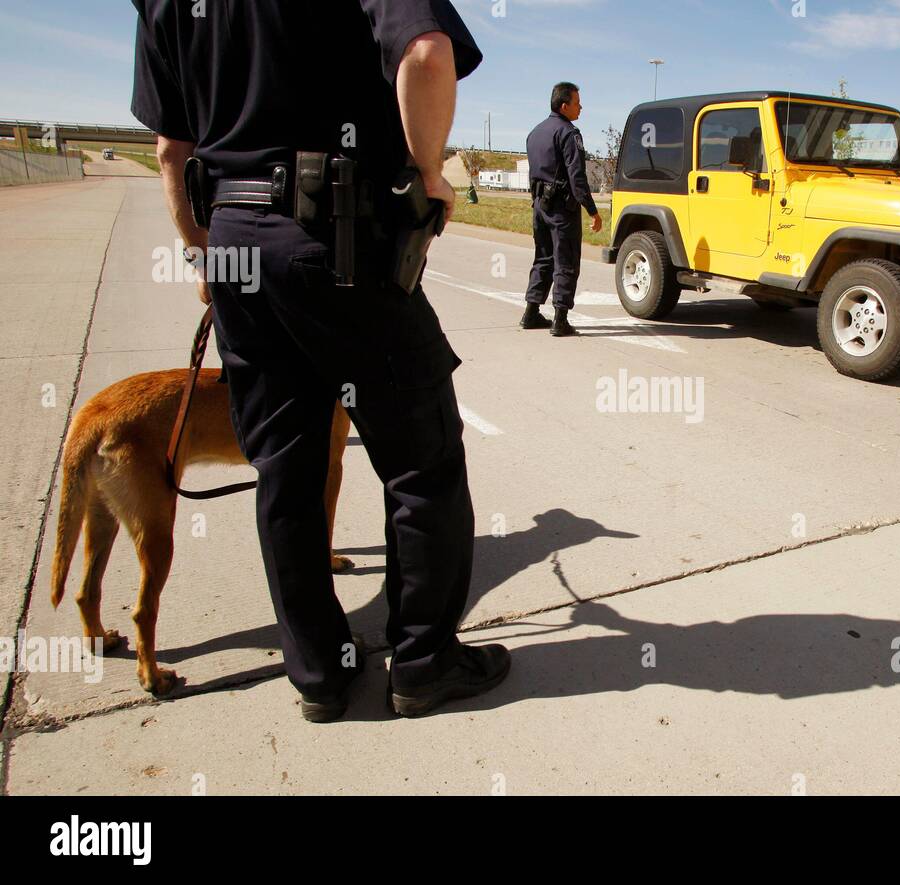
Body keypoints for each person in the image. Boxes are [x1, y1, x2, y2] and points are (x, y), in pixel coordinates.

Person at [129, 0, 510, 722]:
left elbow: (170, 151)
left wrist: (202, 250)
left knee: (286, 467)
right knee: (422, 458)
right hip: (337, 234)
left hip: (235, 235)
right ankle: (425, 663)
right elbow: (426, 55)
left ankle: (320, 673)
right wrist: (428, 172)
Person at [522, 82, 603, 337]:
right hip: (560, 209)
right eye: (578, 103)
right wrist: (592, 210)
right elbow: (577, 176)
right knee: (565, 260)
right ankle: (560, 319)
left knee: (543, 257)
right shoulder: (569, 133)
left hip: (539, 205)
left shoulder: (535, 132)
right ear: (564, 105)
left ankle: (531, 312)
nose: (581, 108)